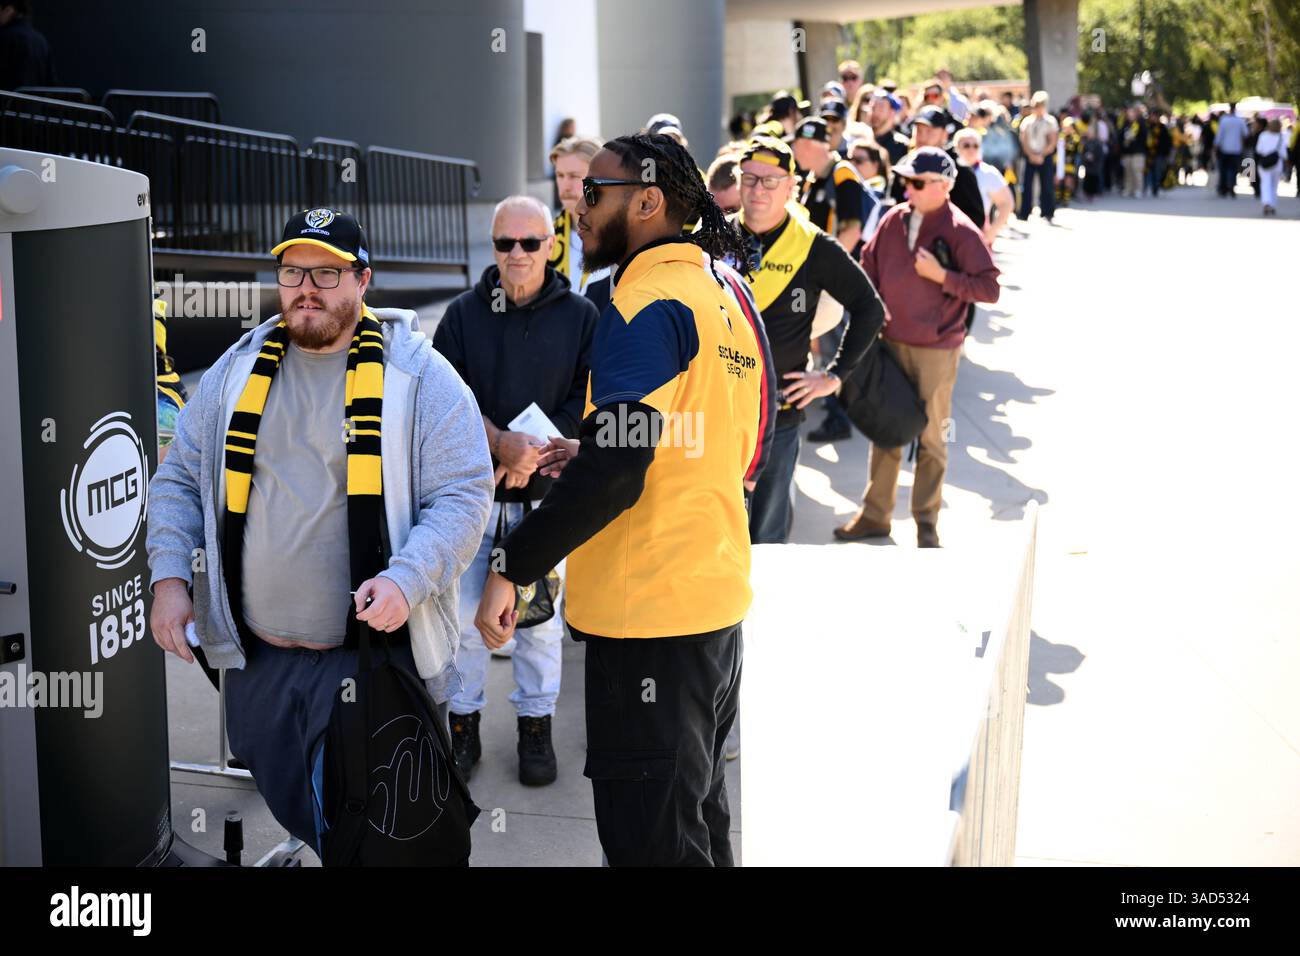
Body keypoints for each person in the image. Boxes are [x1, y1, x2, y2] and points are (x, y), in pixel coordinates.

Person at [147, 209, 495, 852]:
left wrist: (408, 579)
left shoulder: (420, 376)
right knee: (312, 819)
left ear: (363, 280)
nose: (306, 288)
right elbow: (178, 482)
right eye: (292, 271)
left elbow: (465, 494)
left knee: (386, 840)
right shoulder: (233, 371)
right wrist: (169, 578)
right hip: (256, 666)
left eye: (327, 273)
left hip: (374, 666)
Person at [473, 132, 765, 867]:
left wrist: (513, 564)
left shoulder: (642, 301)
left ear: (647, 201)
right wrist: (599, 449)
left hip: (652, 622)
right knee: (698, 820)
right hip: (712, 606)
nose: (578, 204)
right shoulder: (718, 292)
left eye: (593, 193)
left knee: (653, 844)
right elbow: (707, 437)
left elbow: (618, 472)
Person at [430, 196, 596, 786]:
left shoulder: (580, 316)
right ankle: (464, 726)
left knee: (538, 628)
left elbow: (589, 399)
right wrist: (499, 444)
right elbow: (443, 403)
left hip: (545, 504)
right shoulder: (461, 317)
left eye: (530, 243)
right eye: (506, 244)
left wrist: (536, 453)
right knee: (468, 624)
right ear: (493, 246)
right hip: (472, 500)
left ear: (551, 245)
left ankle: (535, 728)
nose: (518, 255)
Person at [835, 148, 1000, 549]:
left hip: (936, 349)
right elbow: (869, 266)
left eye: (917, 182)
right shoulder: (894, 219)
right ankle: (876, 515)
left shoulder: (961, 230)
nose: (907, 188)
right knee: (887, 430)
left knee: (932, 437)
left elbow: (989, 287)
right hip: (890, 343)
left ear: (944, 187)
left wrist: (943, 276)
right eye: (906, 180)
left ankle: (926, 521)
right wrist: (872, 307)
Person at [733, 137, 885, 539]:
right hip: (717, 412)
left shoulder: (813, 246)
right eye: (749, 179)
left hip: (778, 417)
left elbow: (870, 309)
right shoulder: (713, 239)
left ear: (791, 187)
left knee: (766, 533)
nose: (758, 189)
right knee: (712, 532)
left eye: (771, 181)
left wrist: (833, 376)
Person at [890, 106, 986, 231]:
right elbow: (892, 203)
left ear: (944, 134)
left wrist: (946, 241)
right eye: (919, 130)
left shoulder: (958, 169)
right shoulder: (904, 165)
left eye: (929, 131)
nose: (922, 136)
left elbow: (976, 217)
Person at [790, 115, 876, 253]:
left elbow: (852, 232)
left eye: (795, 145)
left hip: (841, 270)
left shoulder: (842, 174)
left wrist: (827, 270)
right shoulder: (813, 180)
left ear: (806, 144)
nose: (793, 152)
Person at [548, 135, 613, 311]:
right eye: (560, 176)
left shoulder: (622, 239)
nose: (565, 186)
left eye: (574, 176)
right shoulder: (543, 239)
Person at [954, 128, 1013, 246]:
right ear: (956, 148)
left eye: (975, 145)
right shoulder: (949, 170)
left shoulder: (988, 173)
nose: (971, 149)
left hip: (977, 231)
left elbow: (1007, 203)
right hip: (950, 228)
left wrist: (993, 231)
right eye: (966, 145)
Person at [1017, 90, 1059, 222]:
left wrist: (1042, 154)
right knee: (1027, 185)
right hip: (1030, 156)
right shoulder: (1027, 122)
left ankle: (1047, 211)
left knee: (1047, 185)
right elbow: (1024, 140)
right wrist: (1031, 154)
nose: (1037, 108)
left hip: (1044, 156)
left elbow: (1052, 141)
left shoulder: (1050, 121)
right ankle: (1024, 212)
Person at [0, 1, 56, 90]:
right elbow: (51, 81)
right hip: (35, 101)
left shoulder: (5, 37)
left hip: (8, 101)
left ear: (8, 10)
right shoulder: (40, 40)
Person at [868, 90, 912, 165]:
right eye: (873, 108)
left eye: (881, 109)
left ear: (892, 112)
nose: (875, 113)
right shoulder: (861, 138)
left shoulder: (901, 146)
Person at [1215, 102, 1249, 198]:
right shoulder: (1240, 121)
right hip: (1236, 149)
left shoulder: (1224, 120)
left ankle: (1224, 188)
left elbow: (1219, 135)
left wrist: (1216, 145)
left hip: (1225, 148)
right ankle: (1231, 186)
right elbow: (1245, 134)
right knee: (1233, 169)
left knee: (1224, 169)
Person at [1254, 118, 1286, 216]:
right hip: (1277, 163)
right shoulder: (1281, 136)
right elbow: (1284, 153)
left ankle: (1266, 203)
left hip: (1264, 163)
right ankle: (1272, 204)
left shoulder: (1263, 135)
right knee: (1274, 185)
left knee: (1265, 183)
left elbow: (1258, 150)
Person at [1120, 105, 1148, 198]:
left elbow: (1144, 138)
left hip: (1138, 152)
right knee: (1128, 172)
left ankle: (1138, 190)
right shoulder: (1125, 124)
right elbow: (1120, 136)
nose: (1130, 115)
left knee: (1137, 172)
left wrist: (1134, 139)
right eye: (1129, 114)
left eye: (1132, 113)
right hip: (1127, 152)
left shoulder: (1141, 124)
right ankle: (1128, 189)